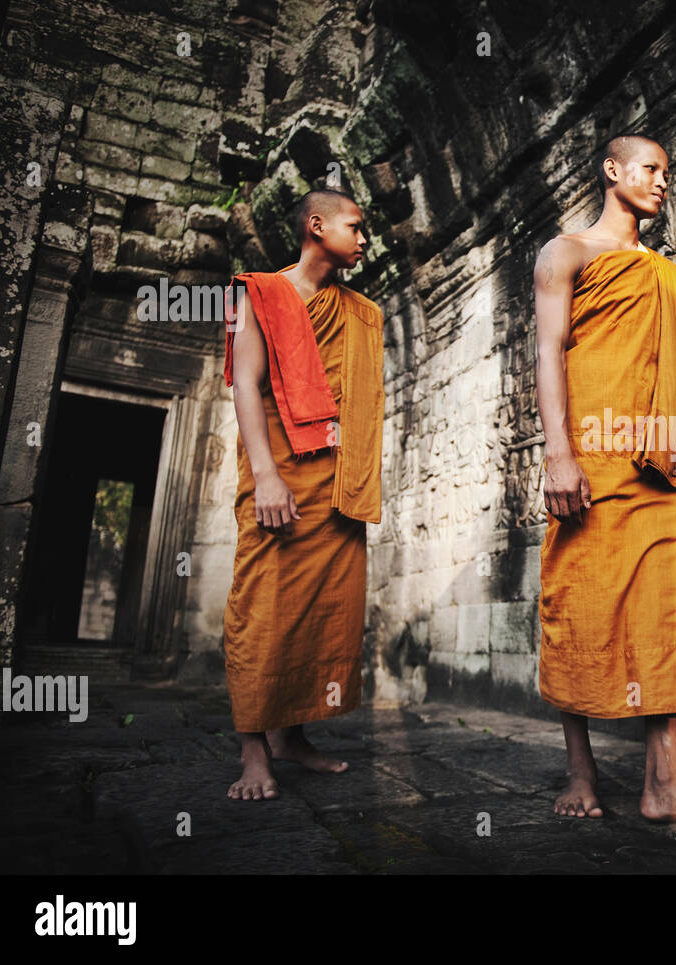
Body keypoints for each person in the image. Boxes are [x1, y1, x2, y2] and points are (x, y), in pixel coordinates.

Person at [533, 134, 676, 824]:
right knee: (579, 605)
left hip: (654, 462)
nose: (663, 182)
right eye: (650, 168)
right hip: (592, 459)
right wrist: (557, 455)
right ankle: (581, 772)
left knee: (669, 610)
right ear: (612, 170)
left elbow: (673, 374)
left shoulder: (665, 274)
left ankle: (666, 783)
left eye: (667, 172)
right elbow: (547, 353)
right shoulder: (566, 252)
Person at [221, 188, 384, 801]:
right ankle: (254, 748)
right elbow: (246, 385)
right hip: (280, 473)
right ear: (316, 226)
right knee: (262, 604)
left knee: (323, 610)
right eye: (355, 226)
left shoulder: (361, 312)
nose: (364, 238)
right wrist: (266, 475)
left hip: (336, 483)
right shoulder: (259, 291)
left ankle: (293, 734)